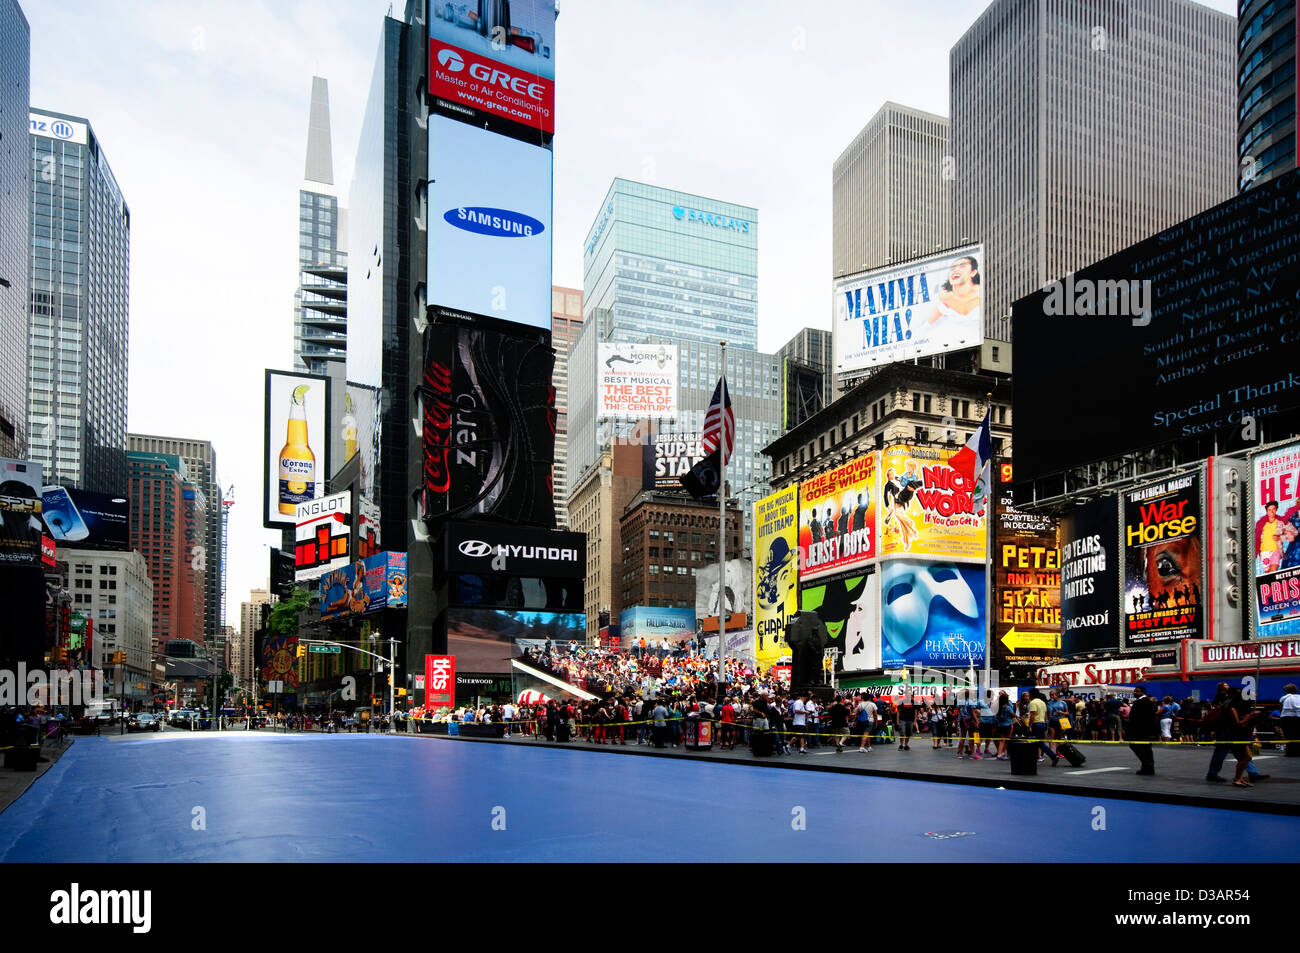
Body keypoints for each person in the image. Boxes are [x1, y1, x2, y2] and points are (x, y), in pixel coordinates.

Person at [1127, 686, 1158, 776]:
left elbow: (1134, 718)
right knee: (1147, 749)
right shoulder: (1150, 702)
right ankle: (1148, 768)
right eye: (1134, 691)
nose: (1135, 693)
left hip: (1139, 730)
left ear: (1143, 693)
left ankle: (1147, 766)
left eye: (1137, 691)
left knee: (1136, 747)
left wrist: (1130, 730)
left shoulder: (1139, 702)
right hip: (1149, 730)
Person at [1027, 689, 1061, 766]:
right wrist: (1046, 723)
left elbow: (1033, 714)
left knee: (1038, 742)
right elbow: (1045, 714)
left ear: (1032, 694)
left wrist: (1029, 725)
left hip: (1036, 723)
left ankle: (1053, 755)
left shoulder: (1033, 702)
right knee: (1037, 742)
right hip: (1042, 723)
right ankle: (1036, 757)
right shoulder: (1042, 702)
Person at [1279, 683, 1300, 757]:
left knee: (1287, 735)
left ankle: (1290, 752)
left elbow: (1280, 709)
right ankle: (1297, 751)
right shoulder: (1299, 697)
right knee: (1297, 735)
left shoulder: (1283, 698)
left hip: (1285, 718)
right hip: (1296, 718)